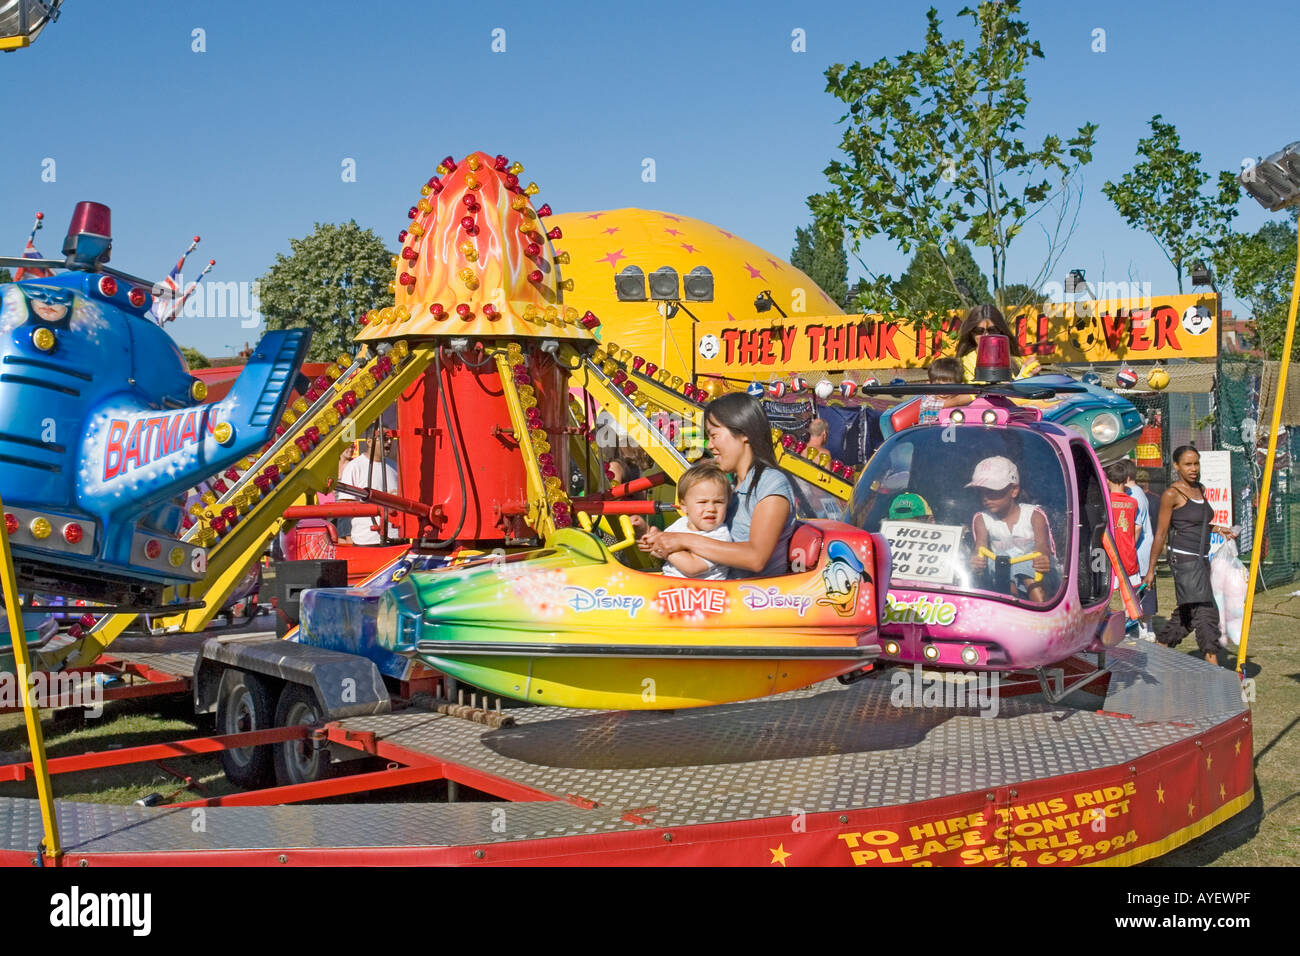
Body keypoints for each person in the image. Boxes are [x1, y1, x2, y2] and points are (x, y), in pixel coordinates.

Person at [639, 392, 796, 578]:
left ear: (744, 433)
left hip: (754, 599)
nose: (710, 445)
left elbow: (756, 557)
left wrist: (682, 540)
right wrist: (662, 542)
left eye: (714, 436)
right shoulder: (732, 487)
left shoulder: (770, 483)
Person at [1143, 445, 1238, 662]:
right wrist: (1151, 570)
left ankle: (1161, 646)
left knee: (1188, 612)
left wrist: (1218, 528)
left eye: (1196, 463)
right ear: (1176, 466)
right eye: (1187, 464)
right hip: (1184, 560)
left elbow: (1196, 520)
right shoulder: (1171, 494)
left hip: (1201, 559)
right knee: (1206, 611)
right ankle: (1211, 661)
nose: (1193, 468)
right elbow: (1160, 533)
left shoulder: (1200, 489)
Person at [968, 455, 1053, 602]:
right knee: (1002, 567)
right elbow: (980, 547)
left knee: (1028, 573)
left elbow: (1042, 546)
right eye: (982, 492)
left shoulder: (1034, 515)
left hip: (1037, 575)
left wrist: (1042, 557)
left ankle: (1042, 613)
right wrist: (976, 559)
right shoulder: (982, 519)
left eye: (992, 491)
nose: (985, 498)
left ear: (1014, 490)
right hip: (1003, 573)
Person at [657, 461, 733, 580]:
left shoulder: (720, 535)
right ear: (684, 506)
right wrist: (646, 534)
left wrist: (661, 546)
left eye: (718, 502)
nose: (711, 509)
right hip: (670, 589)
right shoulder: (680, 524)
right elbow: (658, 550)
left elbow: (692, 568)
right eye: (702, 502)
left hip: (703, 594)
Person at [338, 436, 400, 545]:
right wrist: (348, 536)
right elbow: (345, 505)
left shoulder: (394, 466)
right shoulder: (354, 467)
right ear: (369, 442)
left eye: (390, 438)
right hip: (367, 540)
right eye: (384, 438)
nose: (389, 442)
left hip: (396, 537)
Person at [955, 304, 1040, 383]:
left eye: (992, 330)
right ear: (971, 332)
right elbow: (983, 393)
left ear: (1001, 330)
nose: (986, 335)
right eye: (979, 331)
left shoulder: (1015, 361)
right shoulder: (963, 363)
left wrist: (1032, 374)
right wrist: (1022, 378)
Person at [1123, 458, 1157, 639]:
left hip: (1139, 552)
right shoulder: (1135, 493)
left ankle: (1145, 629)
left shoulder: (1134, 496)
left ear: (1126, 476)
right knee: (1141, 589)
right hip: (1141, 552)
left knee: (1141, 590)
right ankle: (1145, 628)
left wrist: (1127, 548)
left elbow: (1137, 527)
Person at [1106, 461, 1141, 592]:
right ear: (1126, 479)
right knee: (1129, 598)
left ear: (1108, 480)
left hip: (1110, 557)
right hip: (1128, 556)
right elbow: (1137, 527)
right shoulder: (1133, 502)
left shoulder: (1106, 502)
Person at [920, 356, 963, 423]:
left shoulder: (959, 397)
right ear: (929, 385)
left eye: (949, 386)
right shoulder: (928, 401)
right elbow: (956, 401)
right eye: (938, 385)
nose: (943, 391)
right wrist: (974, 394)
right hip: (929, 432)